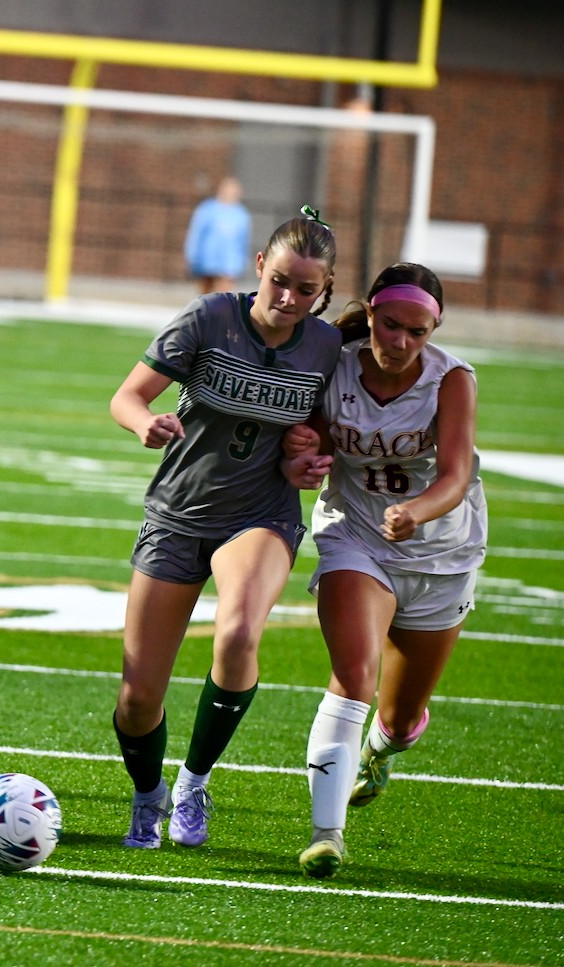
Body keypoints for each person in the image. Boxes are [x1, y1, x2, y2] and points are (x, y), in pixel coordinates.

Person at [108, 207, 341, 849]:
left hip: (260, 515)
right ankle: (148, 795)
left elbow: (319, 433)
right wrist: (144, 423)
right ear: (259, 265)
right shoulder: (208, 317)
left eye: (306, 290)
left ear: (325, 290)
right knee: (138, 697)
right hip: (178, 512)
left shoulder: (325, 347)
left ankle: (193, 784)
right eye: (279, 281)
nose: (288, 299)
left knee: (238, 634)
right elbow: (127, 396)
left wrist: (306, 460)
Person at [282, 263, 485, 879]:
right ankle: (327, 834)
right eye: (390, 325)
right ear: (369, 312)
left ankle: (383, 747)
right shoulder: (335, 364)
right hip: (356, 536)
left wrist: (417, 512)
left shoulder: (452, 379)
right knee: (353, 675)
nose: (400, 342)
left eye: (416, 332)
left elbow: (455, 475)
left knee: (397, 718)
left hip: (441, 553)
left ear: (434, 331)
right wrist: (303, 456)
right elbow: (314, 445)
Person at [185, 176, 253, 295]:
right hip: (207, 258)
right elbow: (196, 233)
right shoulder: (207, 209)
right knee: (205, 293)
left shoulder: (241, 214)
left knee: (224, 293)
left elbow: (243, 240)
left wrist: (243, 259)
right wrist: (192, 255)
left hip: (229, 261)